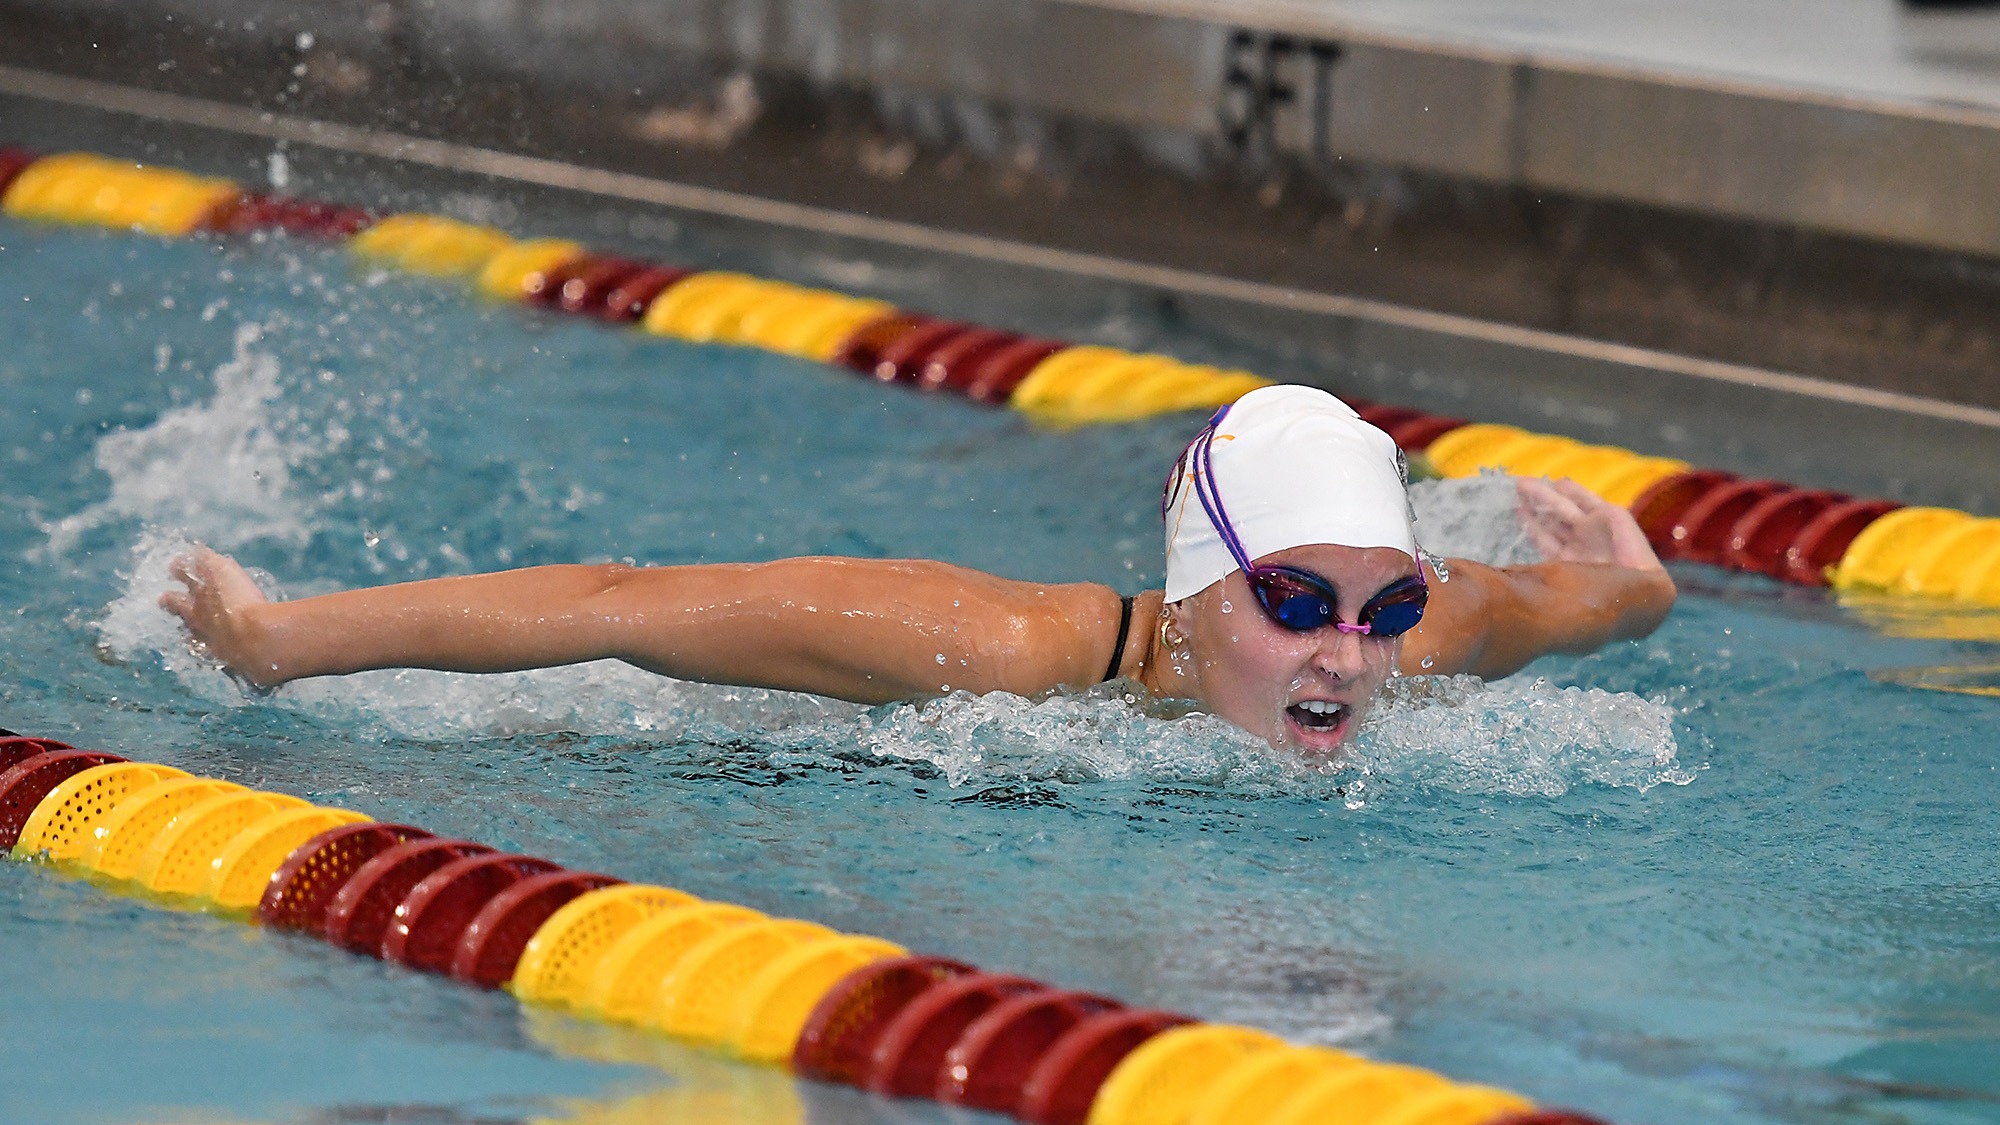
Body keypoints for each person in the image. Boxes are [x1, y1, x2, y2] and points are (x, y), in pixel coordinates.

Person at [162, 386, 1675, 756]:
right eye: (1293, 603)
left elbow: (1579, 602)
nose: (1347, 650)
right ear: (1203, 585)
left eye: (1382, 605)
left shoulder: (1427, 631)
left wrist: (1645, 584)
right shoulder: (997, 650)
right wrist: (279, 638)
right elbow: (621, 607)